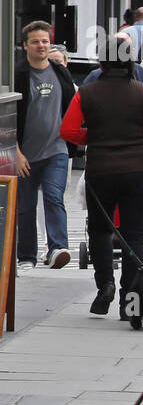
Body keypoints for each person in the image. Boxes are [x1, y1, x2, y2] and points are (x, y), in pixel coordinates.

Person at [60, 37, 143, 317]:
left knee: (100, 230)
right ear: (131, 61)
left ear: (102, 62)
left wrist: (95, 135)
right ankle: (130, 302)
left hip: (100, 171)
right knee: (135, 235)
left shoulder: (86, 93)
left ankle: (105, 284)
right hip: (136, 171)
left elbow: (67, 131)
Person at [14, 20, 75, 271]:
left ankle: (58, 247)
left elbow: (72, 107)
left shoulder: (60, 72)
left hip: (56, 150)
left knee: (53, 196)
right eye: (36, 41)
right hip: (25, 154)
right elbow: (8, 118)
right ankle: (26, 255)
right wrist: (15, 152)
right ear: (25, 45)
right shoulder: (18, 75)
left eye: (45, 41)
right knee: (26, 206)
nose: (42, 45)